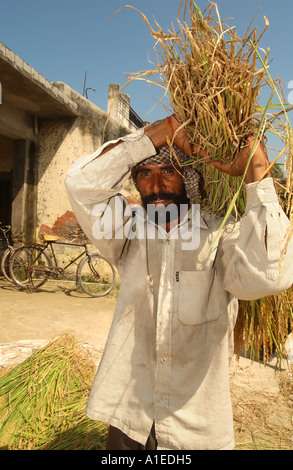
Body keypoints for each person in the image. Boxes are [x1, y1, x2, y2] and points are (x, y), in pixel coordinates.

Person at [65, 115, 293, 450]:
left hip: (195, 427)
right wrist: (162, 132)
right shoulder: (127, 230)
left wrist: (256, 169)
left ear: (187, 179)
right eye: (144, 174)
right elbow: (80, 184)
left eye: (167, 172)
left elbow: (270, 276)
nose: (155, 185)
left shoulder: (222, 235)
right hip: (130, 417)